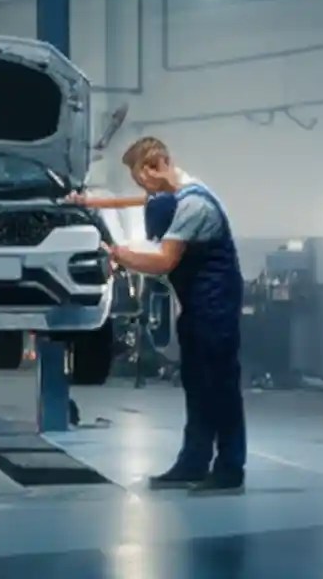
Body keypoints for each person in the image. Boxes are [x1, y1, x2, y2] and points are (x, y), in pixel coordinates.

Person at [68, 136, 246, 493]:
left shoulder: (194, 205)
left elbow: (165, 260)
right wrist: (87, 201)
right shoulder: (177, 189)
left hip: (216, 302)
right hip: (196, 302)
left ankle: (229, 468)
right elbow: (136, 199)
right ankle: (193, 462)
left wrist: (117, 254)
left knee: (219, 385)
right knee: (196, 383)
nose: (142, 189)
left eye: (141, 179)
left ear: (157, 165)